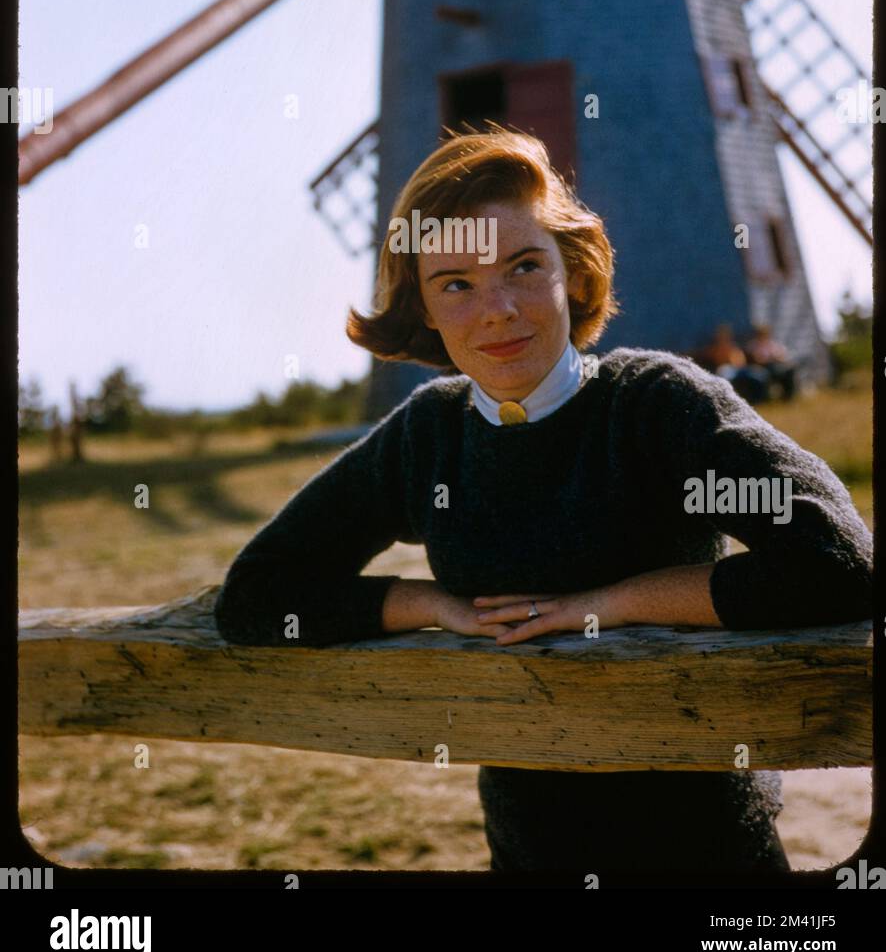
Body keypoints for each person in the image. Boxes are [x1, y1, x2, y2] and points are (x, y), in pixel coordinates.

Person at [214, 127, 873, 880]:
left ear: (576, 273)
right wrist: (432, 603)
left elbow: (841, 564)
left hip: (712, 863)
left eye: (524, 267)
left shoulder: (656, 410)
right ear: (424, 307)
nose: (496, 308)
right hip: (528, 858)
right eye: (455, 283)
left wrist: (613, 602)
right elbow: (257, 595)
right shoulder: (428, 439)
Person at [693, 323, 770, 403]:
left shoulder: (733, 346)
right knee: (724, 374)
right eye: (721, 335)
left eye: (725, 335)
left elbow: (740, 362)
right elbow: (716, 360)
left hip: (741, 369)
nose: (723, 337)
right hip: (728, 368)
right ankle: (726, 399)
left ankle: (761, 398)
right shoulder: (716, 348)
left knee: (758, 374)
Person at [744, 323, 797, 401]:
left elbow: (781, 356)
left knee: (789, 371)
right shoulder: (753, 345)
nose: (763, 335)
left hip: (774, 367)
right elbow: (756, 360)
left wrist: (776, 358)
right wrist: (770, 358)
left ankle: (788, 396)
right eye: (761, 334)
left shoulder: (771, 344)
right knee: (763, 374)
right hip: (761, 368)